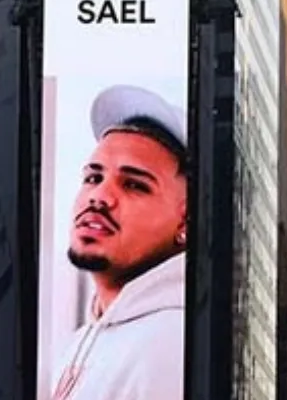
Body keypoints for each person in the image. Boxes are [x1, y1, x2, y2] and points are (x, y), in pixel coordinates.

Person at [50, 84, 187, 400]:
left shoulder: (173, 342)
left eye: (134, 185)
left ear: (186, 222)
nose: (99, 197)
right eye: (93, 178)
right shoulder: (79, 345)